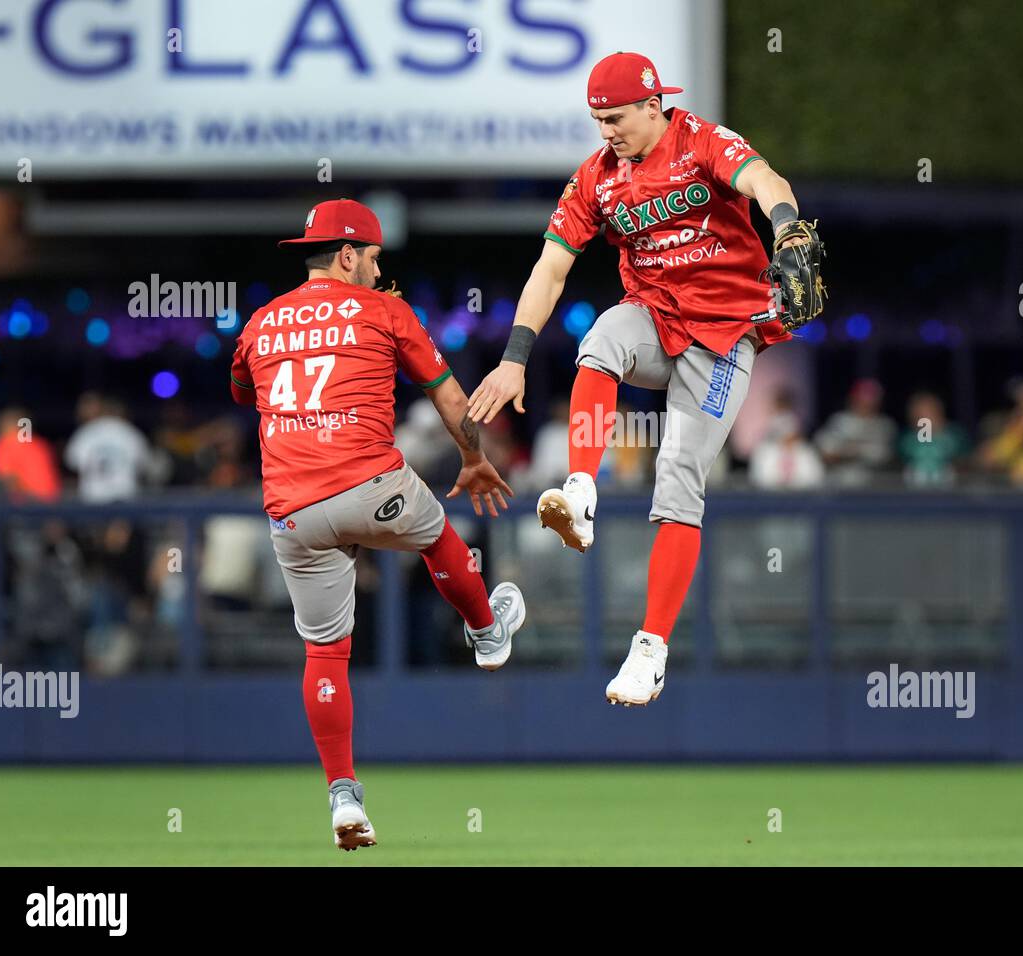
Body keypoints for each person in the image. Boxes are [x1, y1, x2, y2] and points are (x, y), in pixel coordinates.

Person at [466, 52, 823, 706]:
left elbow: (764, 178)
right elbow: (550, 270)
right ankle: (579, 490)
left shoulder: (700, 141)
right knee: (600, 337)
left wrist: (787, 229)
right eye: (597, 119)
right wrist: (515, 356)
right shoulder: (598, 177)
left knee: (678, 477)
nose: (606, 130)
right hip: (657, 322)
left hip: (722, 337)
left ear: (654, 104)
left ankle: (651, 648)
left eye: (617, 117)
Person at [229, 199, 525, 851]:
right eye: (372, 256)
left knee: (325, 652)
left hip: (293, 510)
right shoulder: (386, 311)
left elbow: (248, 394)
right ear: (347, 255)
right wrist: (474, 459)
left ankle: (342, 794)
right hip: (368, 484)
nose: (376, 266)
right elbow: (451, 399)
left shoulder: (259, 322)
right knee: (440, 534)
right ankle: (486, 631)